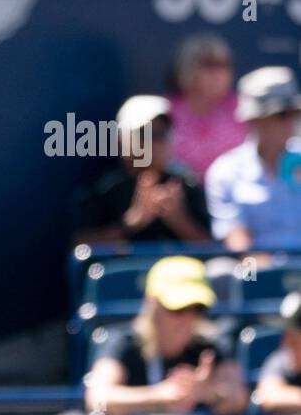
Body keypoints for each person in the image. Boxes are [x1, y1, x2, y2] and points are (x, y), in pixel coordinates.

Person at [85, 256, 248, 415]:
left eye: (197, 309)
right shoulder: (123, 343)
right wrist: (160, 396)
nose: (189, 318)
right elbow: (98, 398)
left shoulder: (210, 347)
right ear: (152, 305)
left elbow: (238, 399)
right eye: (178, 308)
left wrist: (209, 393)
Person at [72, 95, 212, 245]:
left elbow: (211, 249)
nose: (155, 144)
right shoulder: (106, 189)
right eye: (145, 134)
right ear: (121, 140)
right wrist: (131, 224)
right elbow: (80, 247)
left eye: (161, 134)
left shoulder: (187, 184)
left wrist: (178, 219)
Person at [204, 66, 301, 253]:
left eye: (294, 113)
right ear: (255, 119)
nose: (291, 122)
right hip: (255, 273)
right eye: (281, 115)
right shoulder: (225, 172)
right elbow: (237, 240)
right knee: (222, 272)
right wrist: (268, 275)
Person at [166, 33, 246, 181]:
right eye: (209, 64)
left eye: (224, 64)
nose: (219, 72)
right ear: (186, 66)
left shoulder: (244, 109)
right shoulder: (165, 111)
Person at [255, 291, 301, 415]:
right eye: (286, 335)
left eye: (294, 338)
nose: (286, 342)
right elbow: (268, 395)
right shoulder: (281, 359)